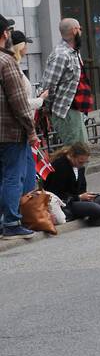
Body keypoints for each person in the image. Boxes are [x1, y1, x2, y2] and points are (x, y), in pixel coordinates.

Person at [0, 14, 37, 239]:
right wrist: (31, 131)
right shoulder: (7, 62)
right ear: (5, 33)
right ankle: (12, 223)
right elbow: (19, 102)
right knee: (13, 176)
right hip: (10, 131)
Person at [43, 142, 100, 225]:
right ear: (72, 155)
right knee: (95, 207)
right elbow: (56, 194)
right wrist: (79, 197)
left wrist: (88, 196)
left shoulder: (79, 167)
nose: (82, 165)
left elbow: (82, 187)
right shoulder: (61, 166)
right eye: (80, 162)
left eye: (84, 162)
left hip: (79, 200)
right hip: (67, 204)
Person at [40, 18, 91, 146]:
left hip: (75, 110)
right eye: (80, 29)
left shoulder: (73, 52)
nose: (81, 32)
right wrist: (50, 107)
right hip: (66, 112)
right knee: (78, 152)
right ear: (75, 31)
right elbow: (48, 86)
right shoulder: (61, 55)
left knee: (79, 152)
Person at [10, 29, 46, 199]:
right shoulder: (12, 67)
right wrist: (39, 101)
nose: (27, 49)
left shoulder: (15, 65)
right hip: (20, 127)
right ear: (20, 46)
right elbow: (19, 101)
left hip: (21, 125)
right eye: (25, 45)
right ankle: (26, 208)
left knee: (24, 170)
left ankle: (24, 207)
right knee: (23, 172)